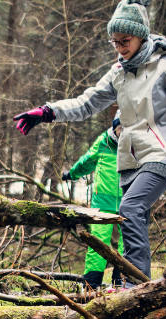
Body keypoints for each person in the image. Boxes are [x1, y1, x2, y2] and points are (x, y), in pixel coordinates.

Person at [12, 0, 166, 285]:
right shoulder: (118, 72)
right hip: (130, 158)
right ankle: (136, 284)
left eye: (125, 41)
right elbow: (86, 103)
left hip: (162, 153)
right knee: (130, 221)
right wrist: (49, 111)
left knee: (129, 209)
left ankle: (135, 284)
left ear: (141, 35)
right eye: (115, 42)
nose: (120, 47)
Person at [62, 113, 124, 289]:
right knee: (99, 241)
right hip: (103, 201)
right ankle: (91, 283)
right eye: (121, 128)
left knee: (129, 241)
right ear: (115, 127)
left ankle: (122, 280)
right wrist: (72, 174)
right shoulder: (104, 142)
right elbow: (87, 160)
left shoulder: (136, 143)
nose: (123, 132)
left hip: (128, 199)